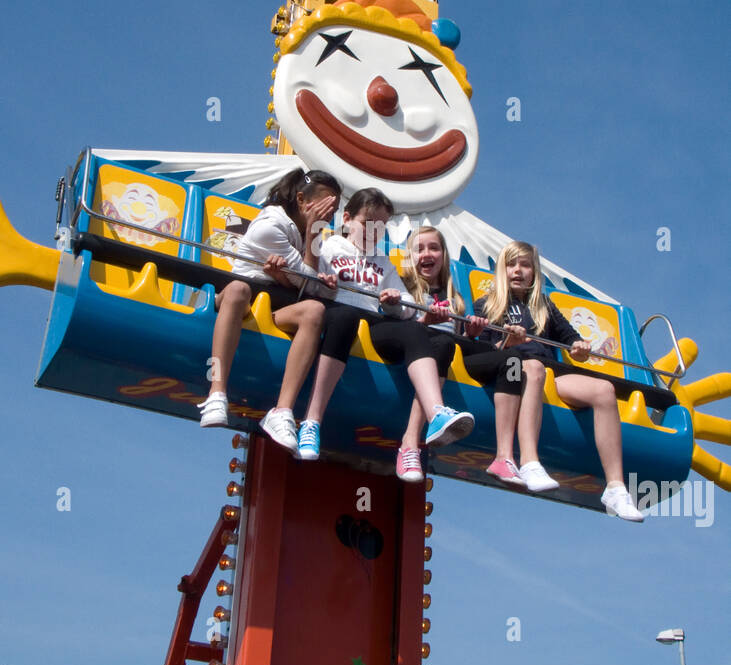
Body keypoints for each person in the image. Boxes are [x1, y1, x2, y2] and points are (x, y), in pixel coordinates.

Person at [297, 190, 474, 477]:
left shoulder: (383, 262)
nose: (373, 231)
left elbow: (407, 310)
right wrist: (323, 282)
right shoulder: (329, 248)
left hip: (370, 322)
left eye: (380, 226)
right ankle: (311, 421)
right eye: (367, 223)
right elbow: (308, 285)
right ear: (346, 219)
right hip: (337, 314)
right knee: (343, 316)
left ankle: (436, 412)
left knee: (414, 331)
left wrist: (394, 301)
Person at [467, 241, 643, 521]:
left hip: (550, 375)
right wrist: (507, 342)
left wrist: (581, 349)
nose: (518, 271)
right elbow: (482, 354)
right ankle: (529, 460)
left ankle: (615, 487)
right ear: (502, 270)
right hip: (514, 371)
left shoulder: (545, 306)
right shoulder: (486, 305)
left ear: (535, 273)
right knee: (534, 368)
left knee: (604, 390)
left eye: (525, 265)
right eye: (512, 264)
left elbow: (572, 341)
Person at [197, 167, 341, 453]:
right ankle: (216, 392)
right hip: (241, 303)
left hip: (275, 307)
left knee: (313, 311)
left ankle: (282, 411)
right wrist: (296, 277)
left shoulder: (310, 237)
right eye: (323, 204)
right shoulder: (270, 225)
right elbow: (307, 280)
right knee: (238, 290)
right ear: (301, 200)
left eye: (333, 208)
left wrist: (293, 274)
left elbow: (319, 290)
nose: (327, 213)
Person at [399, 226, 554, 489]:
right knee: (442, 344)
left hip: (454, 351)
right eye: (420, 249)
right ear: (409, 257)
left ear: (444, 256)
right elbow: (397, 323)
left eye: (434, 248)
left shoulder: (455, 299)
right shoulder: (402, 287)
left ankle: (504, 457)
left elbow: (465, 342)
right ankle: (409, 443)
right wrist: (425, 320)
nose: (427, 254)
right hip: (420, 350)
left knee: (513, 360)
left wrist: (472, 333)